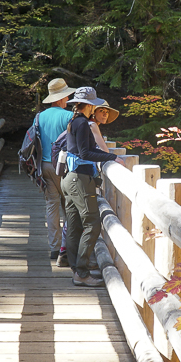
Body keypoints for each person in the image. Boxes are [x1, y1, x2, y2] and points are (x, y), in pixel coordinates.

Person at [61, 87, 123, 287]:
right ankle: (81, 271)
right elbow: (85, 154)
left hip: (69, 177)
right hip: (80, 178)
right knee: (93, 224)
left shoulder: (74, 121)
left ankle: (78, 269)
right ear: (89, 106)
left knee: (75, 225)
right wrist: (112, 156)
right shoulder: (82, 123)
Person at [34, 78, 75, 265]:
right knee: (69, 205)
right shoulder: (68, 116)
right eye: (67, 95)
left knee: (51, 205)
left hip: (44, 166)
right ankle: (68, 247)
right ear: (61, 98)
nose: (68, 98)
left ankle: (54, 247)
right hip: (63, 167)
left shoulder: (39, 117)